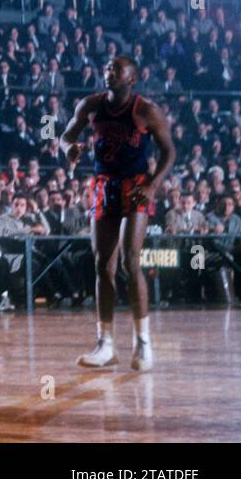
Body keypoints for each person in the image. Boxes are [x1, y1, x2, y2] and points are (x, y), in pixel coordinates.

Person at [59, 56, 174, 372]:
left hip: (135, 186)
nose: (109, 72)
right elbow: (66, 135)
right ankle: (105, 343)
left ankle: (143, 342)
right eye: (107, 67)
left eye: (117, 69)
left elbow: (169, 152)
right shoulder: (91, 105)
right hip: (103, 184)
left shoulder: (146, 110)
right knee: (101, 264)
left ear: (132, 77)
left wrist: (152, 185)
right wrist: (68, 148)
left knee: (130, 260)